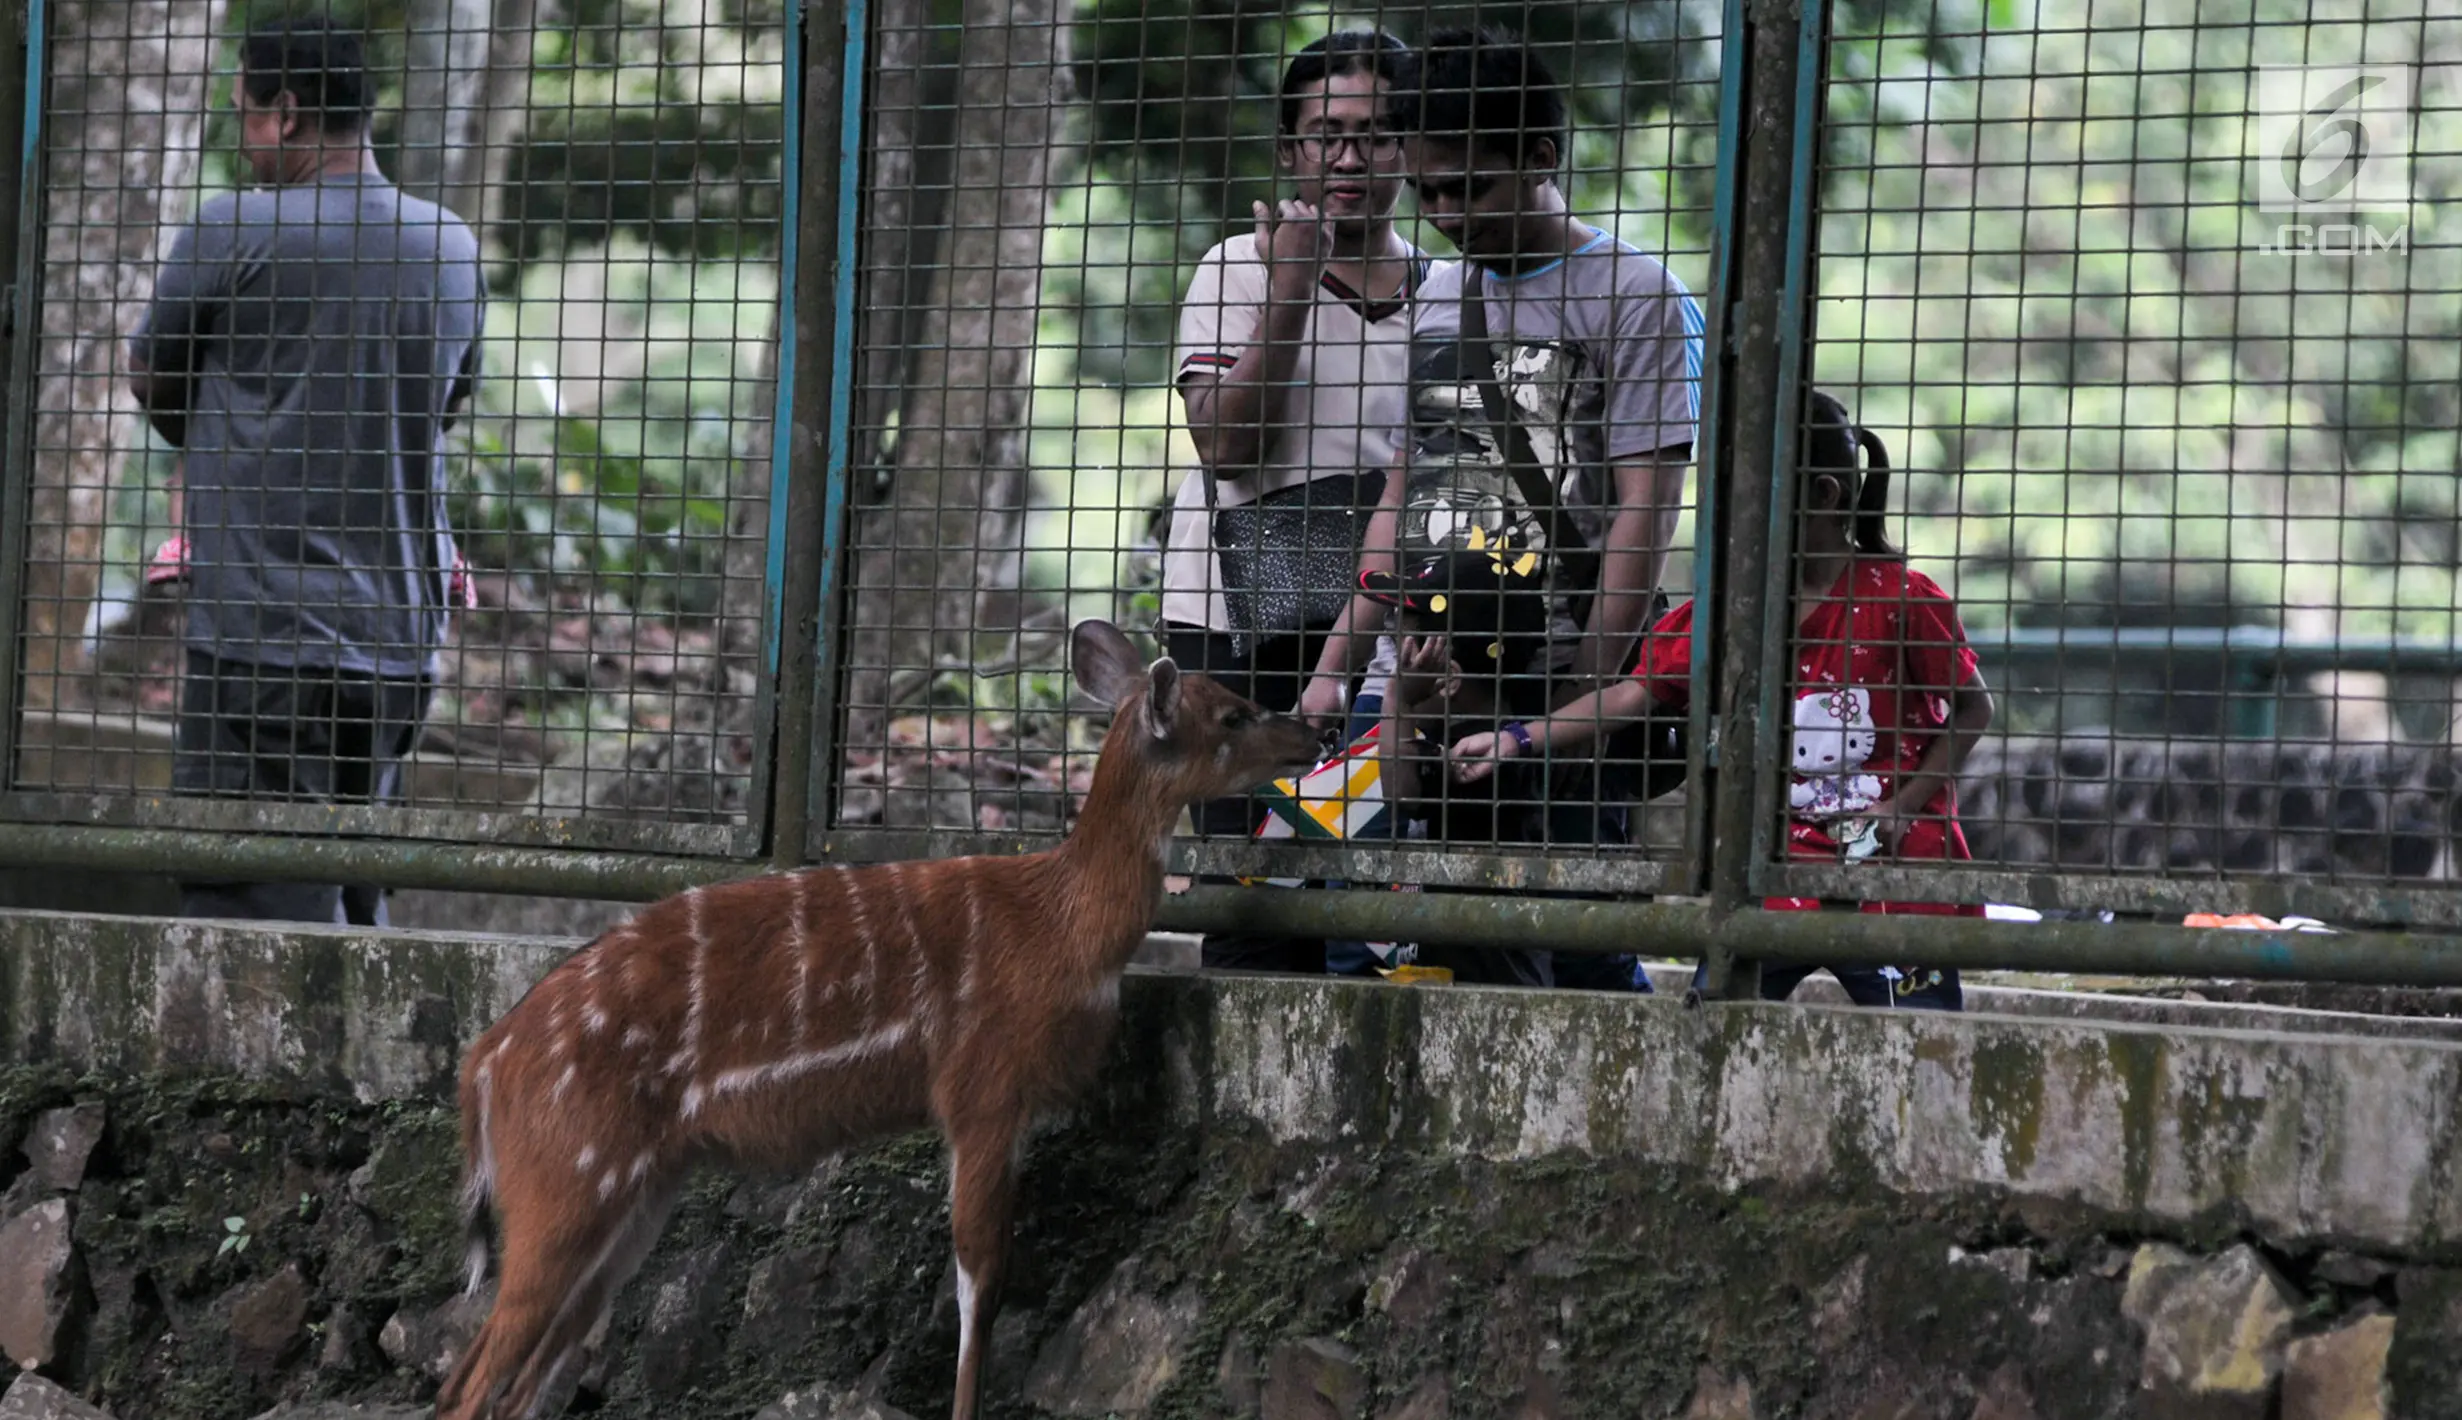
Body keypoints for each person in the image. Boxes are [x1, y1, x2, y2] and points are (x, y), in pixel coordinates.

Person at [1301, 25, 1704, 989]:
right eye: (1428, 192)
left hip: (1559, 682)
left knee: (1578, 952)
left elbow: (1646, 512)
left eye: (1469, 188)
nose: (1445, 214)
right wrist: (1338, 668)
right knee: (1415, 949)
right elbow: (1406, 488)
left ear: (1540, 157)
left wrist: (1585, 697)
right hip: (1426, 678)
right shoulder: (1440, 292)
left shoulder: (1636, 295)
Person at [1451, 391, 1995, 1009]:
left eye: (1751, 498)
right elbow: (1630, 694)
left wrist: (1903, 805)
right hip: (1775, 873)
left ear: (1823, 496)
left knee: (1917, 1033)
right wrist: (1516, 738)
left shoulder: (1902, 598)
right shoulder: (1733, 609)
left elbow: (1974, 708)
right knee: (1714, 1020)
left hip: (1890, 870)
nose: (1733, 518)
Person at [127, 17, 486, 927]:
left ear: (285, 111)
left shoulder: (233, 227)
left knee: (252, 912)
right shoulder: (450, 245)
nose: (242, 136)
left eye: (242, 110)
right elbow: (441, 406)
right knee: (357, 891)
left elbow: (150, 375)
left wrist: (222, 434)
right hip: (397, 643)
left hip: (262, 636)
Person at [1168, 29, 1432, 974]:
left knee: (1372, 901)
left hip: (1377, 629)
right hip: (1233, 625)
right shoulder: (1235, 267)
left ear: (1412, 146)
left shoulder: (1450, 291)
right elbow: (1224, 445)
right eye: (1327, 135)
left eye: (1377, 133)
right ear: (1291, 150)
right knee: (1251, 900)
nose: (1350, 158)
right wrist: (1290, 283)